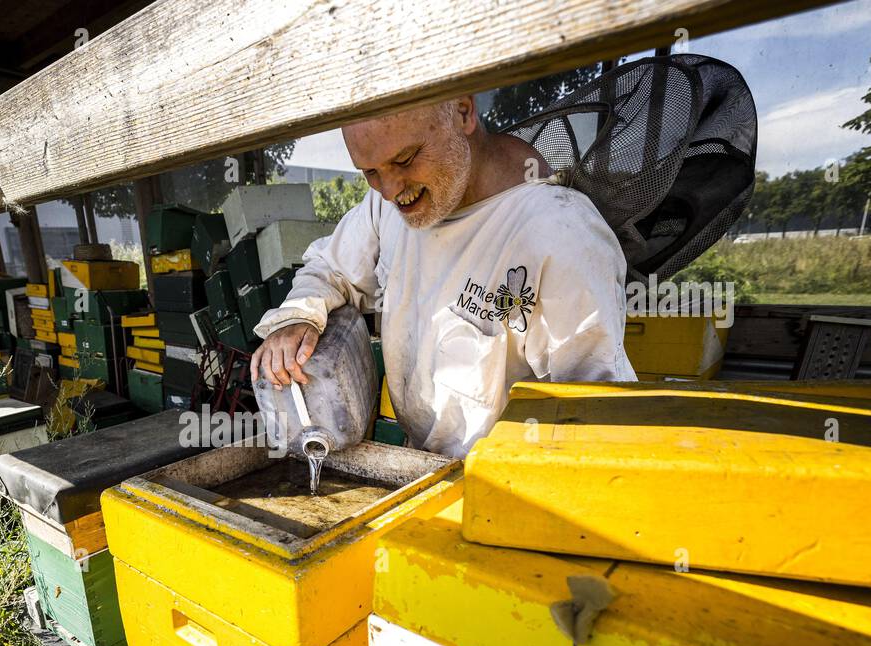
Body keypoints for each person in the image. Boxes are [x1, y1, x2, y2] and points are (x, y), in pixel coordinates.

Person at [249, 96, 636, 458]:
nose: (388, 190)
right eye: (370, 172)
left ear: (463, 113)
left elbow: (594, 423)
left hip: (502, 493)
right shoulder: (388, 207)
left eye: (405, 159)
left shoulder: (560, 236)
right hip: (419, 468)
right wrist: (300, 315)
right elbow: (330, 267)